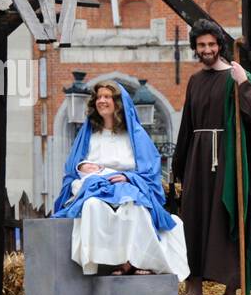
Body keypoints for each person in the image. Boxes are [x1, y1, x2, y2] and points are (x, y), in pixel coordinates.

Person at [172, 19, 251, 295]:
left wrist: (243, 83)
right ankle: (194, 292)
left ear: (220, 46)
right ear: (195, 48)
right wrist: (179, 167)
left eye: (211, 44)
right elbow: (186, 125)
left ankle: (230, 292)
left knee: (227, 220)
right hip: (198, 161)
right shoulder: (194, 81)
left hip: (228, 162)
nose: (206, 49)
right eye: (201, 45)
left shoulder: (236, 75)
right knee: (194, 221)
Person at [53, 80, 188, 280]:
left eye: (107, 97)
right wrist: (83, 169)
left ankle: (135, 261)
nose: (102, 101)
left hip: (127, 185)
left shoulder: (135, 135)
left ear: (118, 102)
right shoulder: (89, 133)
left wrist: (128, 176)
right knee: (92, 206)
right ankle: (106, 260)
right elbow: (74, 165)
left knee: (134, 207)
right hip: (96, 186)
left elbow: (150, 170)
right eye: (99, 97)